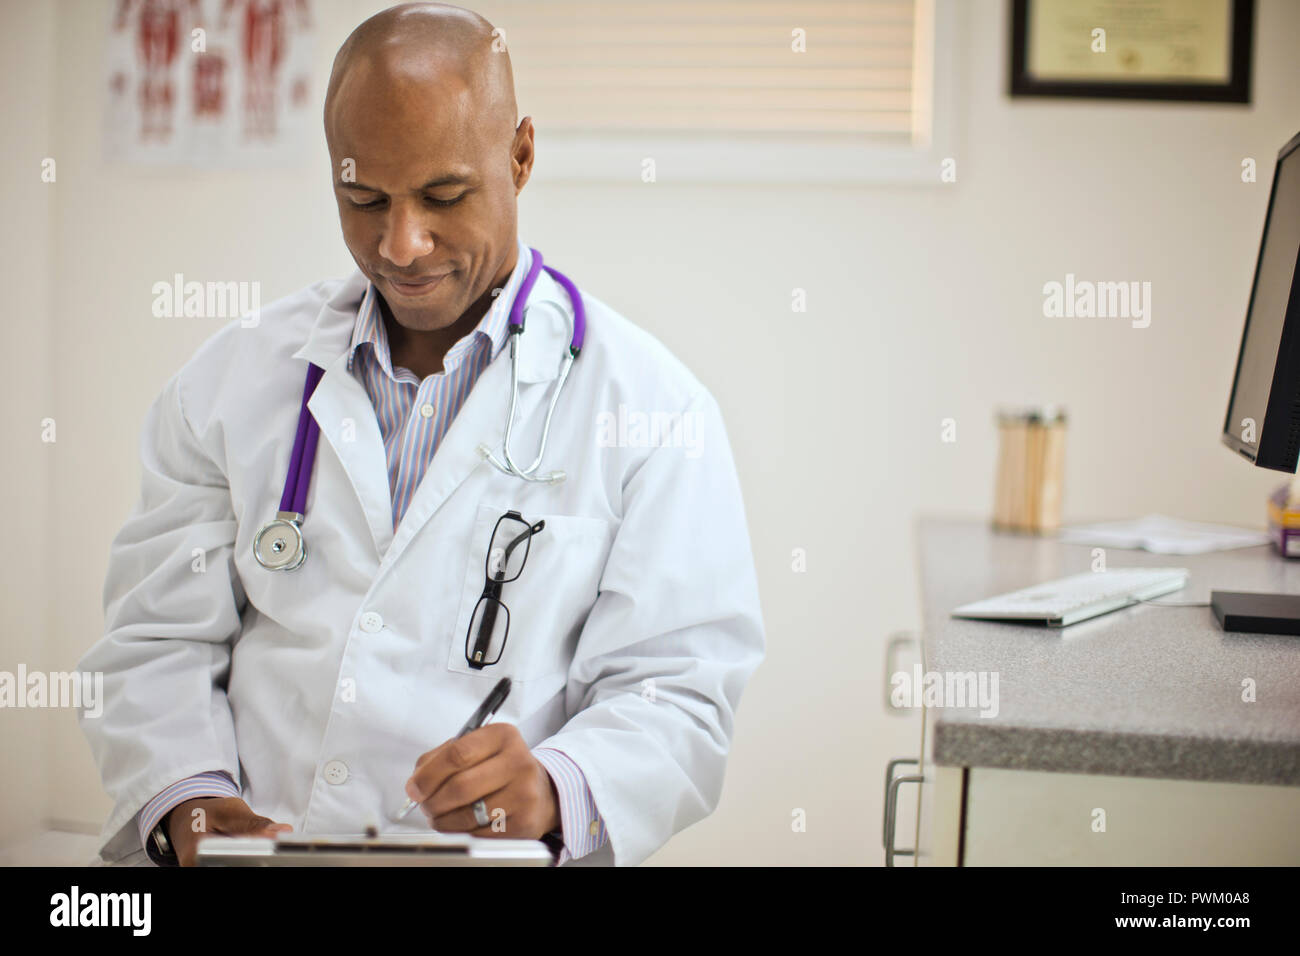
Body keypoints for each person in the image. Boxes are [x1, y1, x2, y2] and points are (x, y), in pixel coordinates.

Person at [77, 1, 764, 867]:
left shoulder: (655, 411)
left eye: (444, 196)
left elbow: (680, 693)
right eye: (364, 199)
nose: (401, 245)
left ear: (520, 156)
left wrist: (557, 786)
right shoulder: (230, 383)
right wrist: (191, 801)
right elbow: (157, 641)